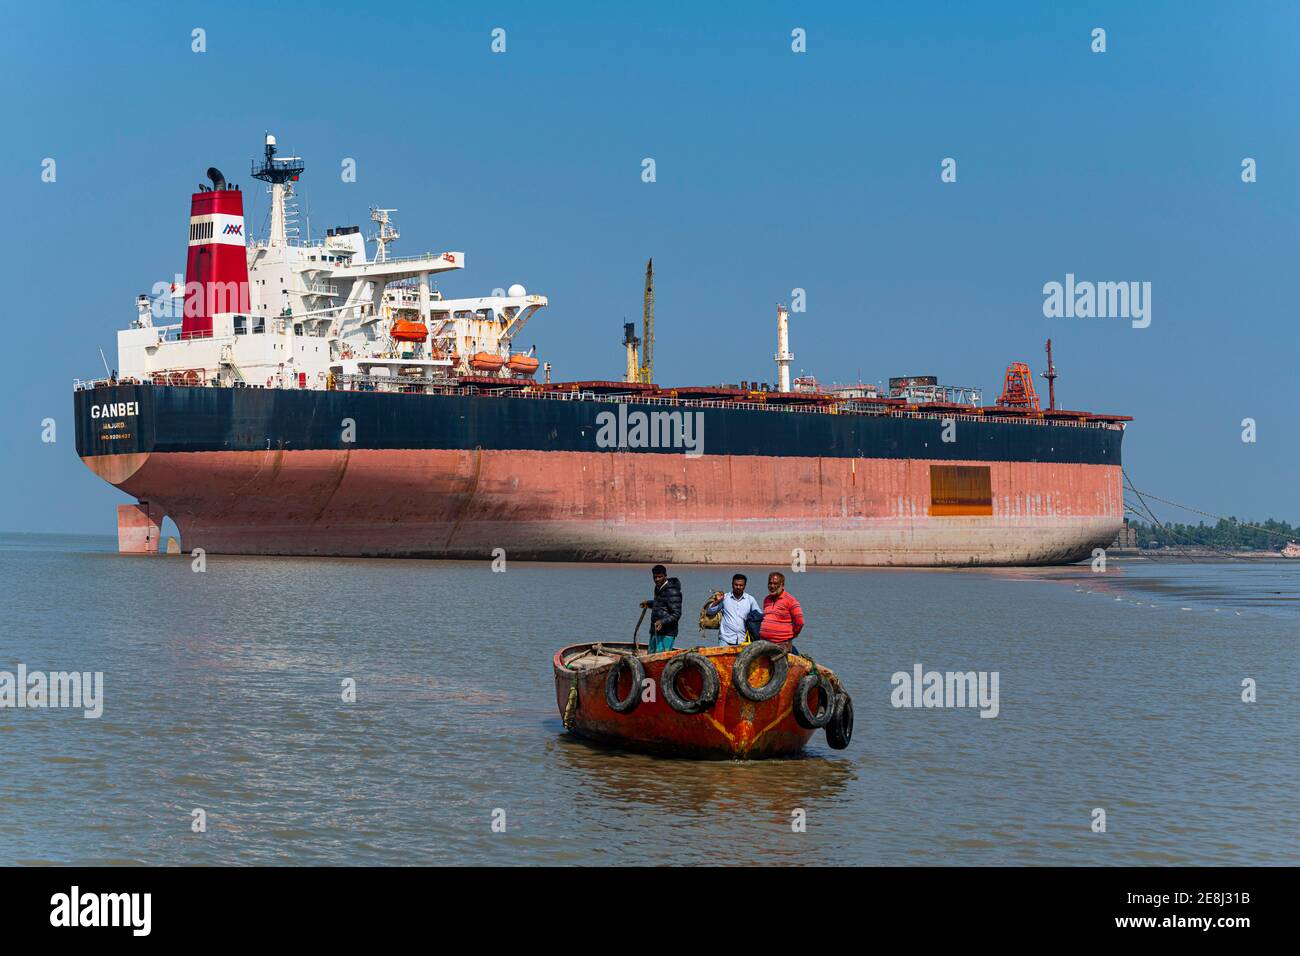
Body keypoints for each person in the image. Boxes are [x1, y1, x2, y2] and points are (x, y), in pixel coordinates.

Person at [706, 574, 762, 646]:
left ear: (745, 586)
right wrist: (717, 601)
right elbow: (710, 611)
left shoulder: (750, 599)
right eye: (736, 585)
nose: (738, 587)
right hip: (725, 639)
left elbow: (759, 616)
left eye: (741, 585)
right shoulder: (725, 598)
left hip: (743, 640)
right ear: (732, 584)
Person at [640, 564, 682, 653]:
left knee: (660, 658)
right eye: (655, 577)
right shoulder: (658, 588)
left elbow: (677, 614)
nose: (657, 579)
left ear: (665, 576)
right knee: (651, 657)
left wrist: (662, 622)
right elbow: (661, 604)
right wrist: (648, 604)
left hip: (667, 633)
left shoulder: (672, 591)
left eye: (660, 577)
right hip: (655, 631)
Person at [760, 571, 804, 654]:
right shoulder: (767, 600)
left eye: (775, 583)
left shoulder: (791, 600)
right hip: (765, 642)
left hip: (782, 645)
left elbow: (800, 622)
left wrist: (790, 636)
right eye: (770, 583)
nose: (772, 586)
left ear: (782, 585)